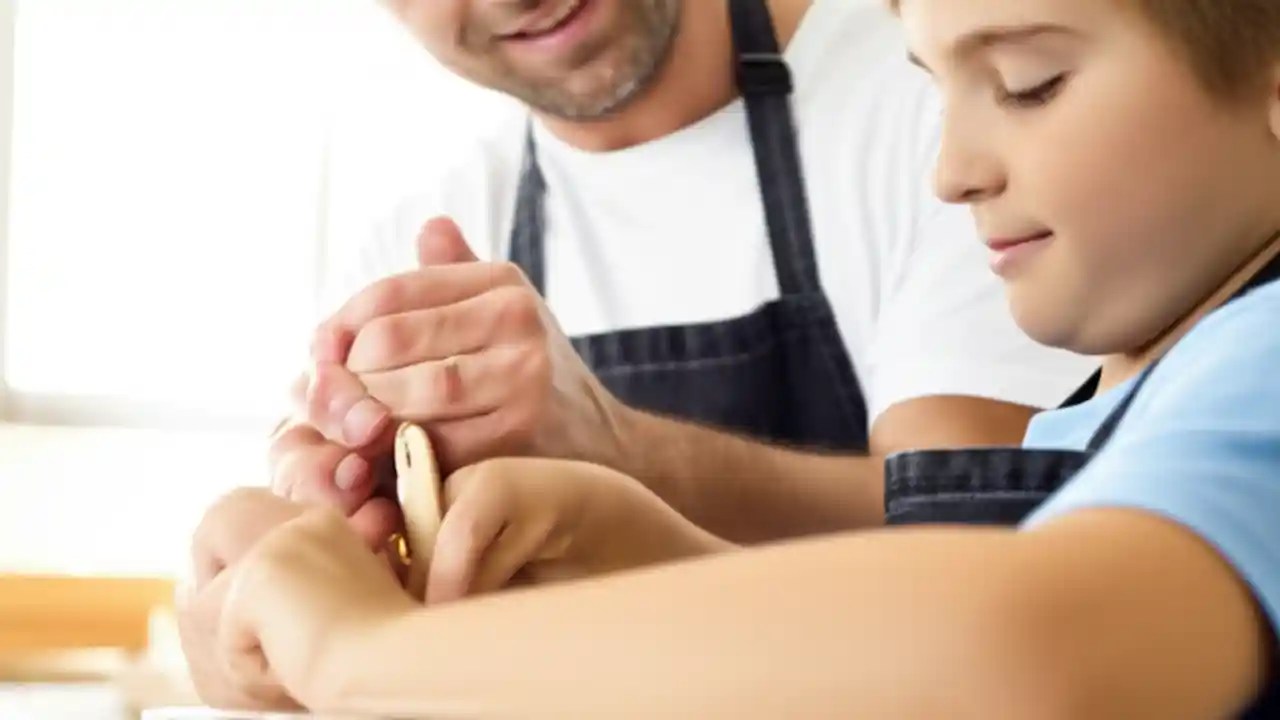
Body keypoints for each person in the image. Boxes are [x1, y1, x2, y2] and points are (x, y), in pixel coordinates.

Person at [178, 0, 1280, 715]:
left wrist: (359, 658)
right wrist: (634, 550)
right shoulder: (1135, 386)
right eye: (935, 85)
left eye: (1032, 84)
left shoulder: (1253, 361)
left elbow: (1022, 632)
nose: (951, 171)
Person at [269, 0, 1091, 551]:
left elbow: (967, 530)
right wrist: (293, 556)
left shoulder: (943, 101)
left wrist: (622, 452)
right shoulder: (426, 232)